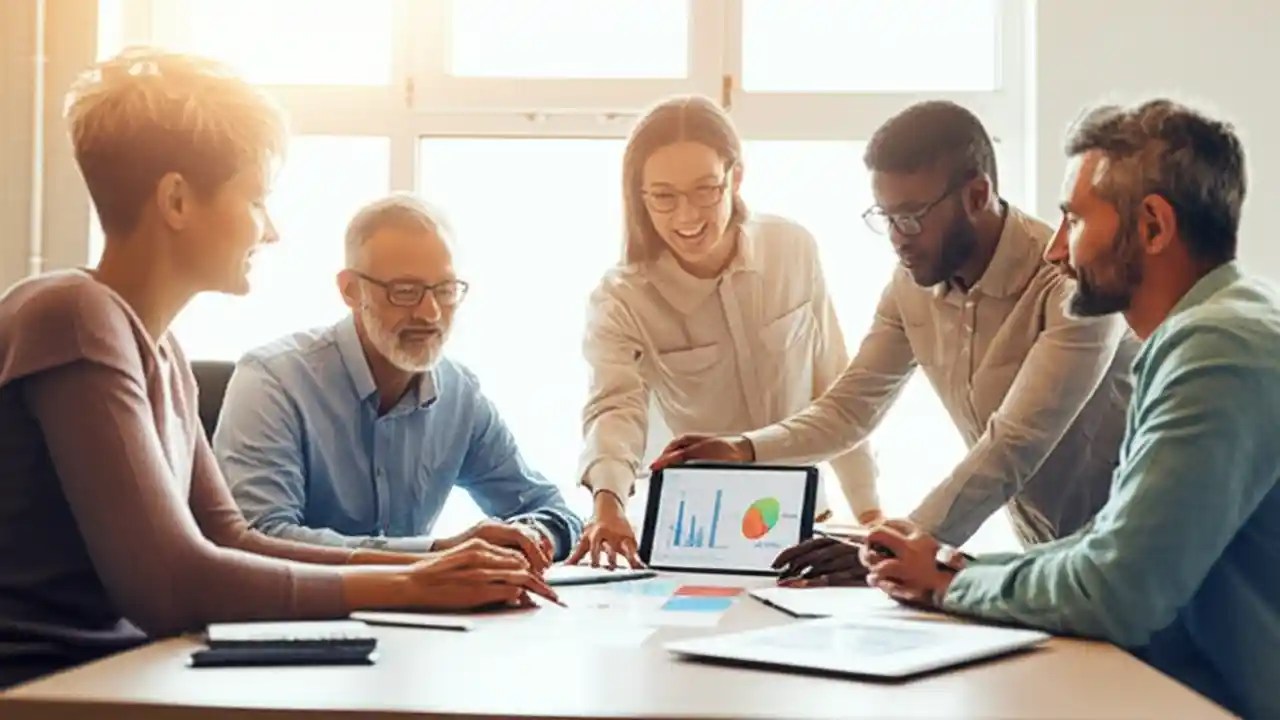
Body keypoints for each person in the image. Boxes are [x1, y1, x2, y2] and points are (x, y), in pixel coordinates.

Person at [0, 48, 557, 689]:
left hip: (114, 680)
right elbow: (169, 583)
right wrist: (408, 584)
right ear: (177, 201)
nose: (270, 231)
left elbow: (231, 539)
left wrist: (433, 567)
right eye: (256, 199)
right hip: (42, 688)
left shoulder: (162, 351)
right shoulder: (74, 316)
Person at [858, 99, 1279, 719]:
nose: (1056, 251)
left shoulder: (1218, 349)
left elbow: (1119, 590)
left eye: (1075, 221)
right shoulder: (1217, 326)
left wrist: (949, 583)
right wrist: (958, 569)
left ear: (1154, 228)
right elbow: (1112, 546)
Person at [656, 101, 1138, 583]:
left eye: (911, 217)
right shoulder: (911, 282)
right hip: (1053, 561)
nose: (896, 238)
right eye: (885, 217)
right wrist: (741, 448)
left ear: (977, 195)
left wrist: (897, 543)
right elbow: (849, 408)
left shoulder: (1070, 284)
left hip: (1138, 552)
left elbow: (1013, 445)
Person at [568, 95, 882, 567]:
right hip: (698, 527)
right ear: (640, 196)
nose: (686, 217)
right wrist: (608, 505)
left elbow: (833, 383)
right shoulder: (621, 296)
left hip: (801, 513)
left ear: (735, 177)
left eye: (704, 190)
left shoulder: (791, 248)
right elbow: (615, 409)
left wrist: (870, 514)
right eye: (664, 197)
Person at [216, 195, 583, 561]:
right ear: (350, 290)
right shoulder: (273, 381)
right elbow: (261, 538)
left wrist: (529, 537)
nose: (430, 312)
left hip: (420, 618)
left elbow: (555, 512)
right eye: (405, 292)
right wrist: (436, 553)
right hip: (296, 616)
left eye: (445, 289)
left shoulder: (460, 395)